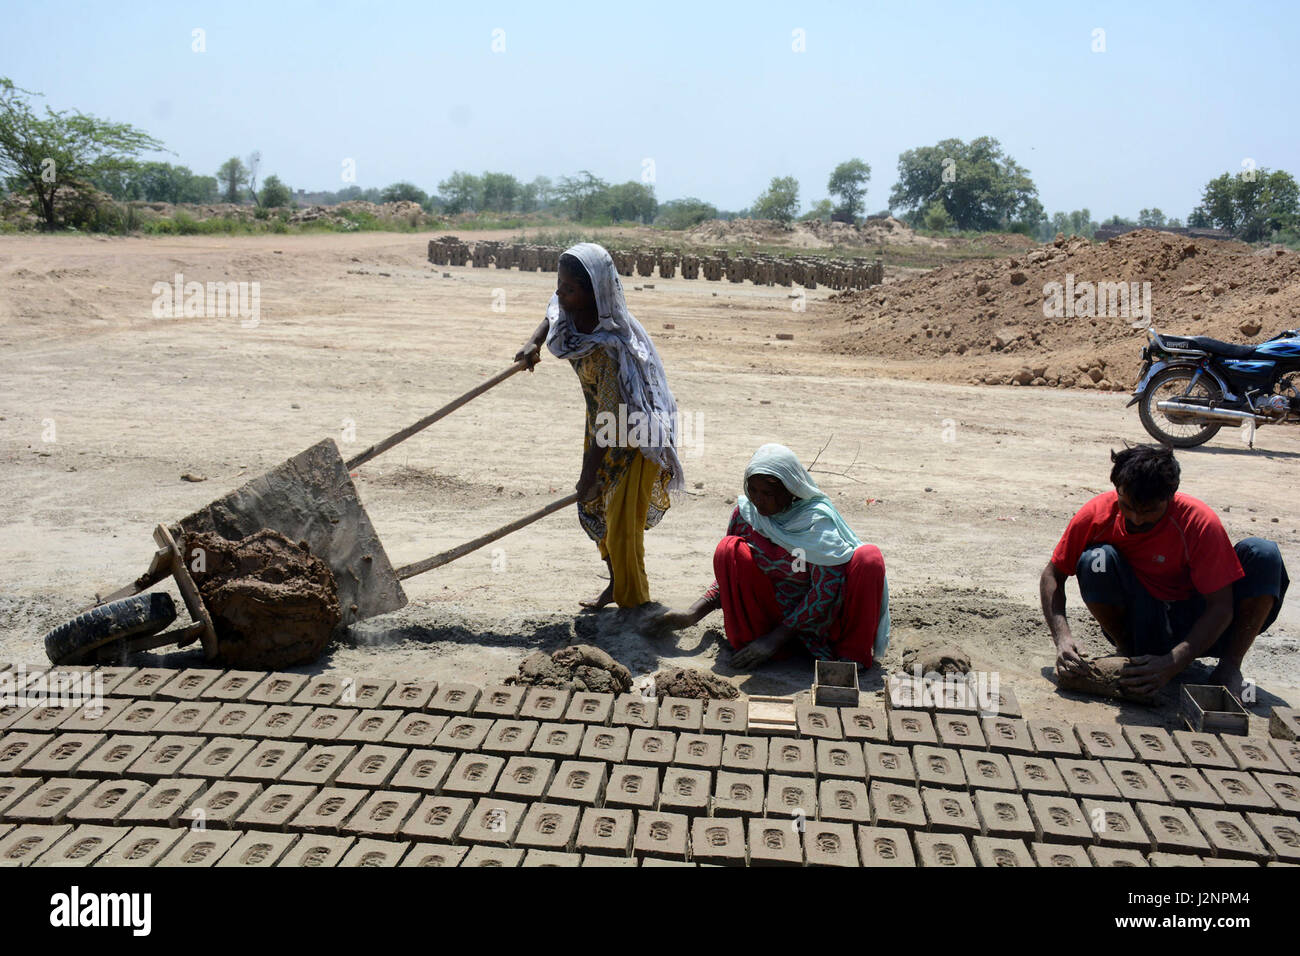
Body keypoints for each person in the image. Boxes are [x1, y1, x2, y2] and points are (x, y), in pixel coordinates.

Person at [1040, 444, 1288, 699]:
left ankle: (1230, 666)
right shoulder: (1097, 514)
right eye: (1126, 506)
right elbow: (1052, 576)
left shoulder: (1198, 522)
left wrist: (1175, 662)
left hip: (1200, 625)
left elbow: (1221, 607)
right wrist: (1062, 638)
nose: (1136, 519)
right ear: (1117, 490)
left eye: (1148, 511)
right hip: (1144, 621)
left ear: (1171, 496)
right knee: (1096, 559)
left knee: (1264, 553)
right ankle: (1130, 653)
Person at [514, 242, 683, 610]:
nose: (560, 292)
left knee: (621, 525)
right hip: (602, 429)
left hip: (633, 436)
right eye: (559, 284)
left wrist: (588, 474)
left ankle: (635, 606)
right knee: (595, 510)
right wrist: (533, 342)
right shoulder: (572, 316)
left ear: (594, 292)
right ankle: (615, 586)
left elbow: (613, 420)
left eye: (569, 288)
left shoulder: (609, 348)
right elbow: (552, 309)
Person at [654, 444, 889, 669]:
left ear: (790, 490)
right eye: (753, 490)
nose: (758, 500)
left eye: (768, 493)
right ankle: (757, 647)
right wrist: (693, 613)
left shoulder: (815, 522)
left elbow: (825, 591)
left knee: (869, 557)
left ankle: (849, 657)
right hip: (764, 624)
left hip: (818, 626)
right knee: (729, 548)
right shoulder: (746, 515)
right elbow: (731, 575)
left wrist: (777, 638)